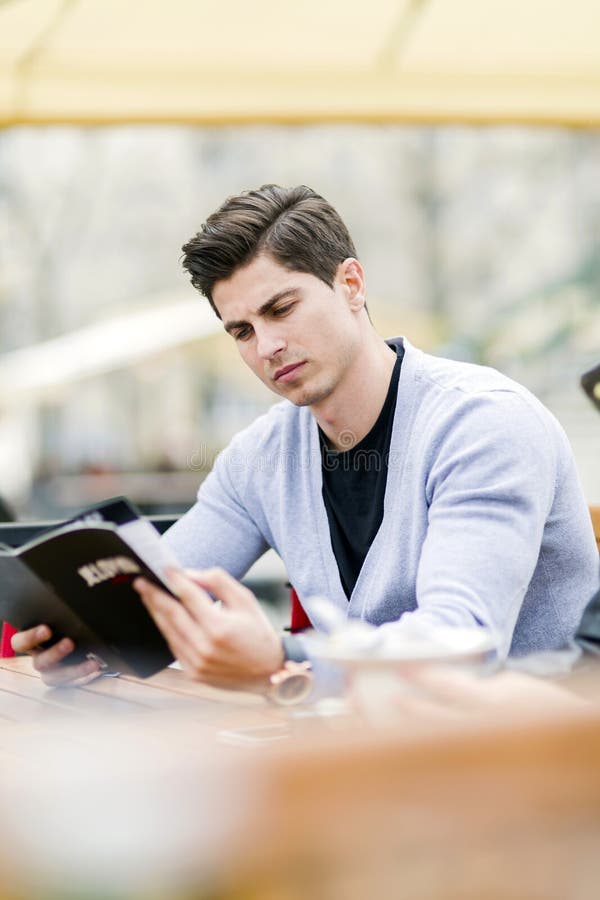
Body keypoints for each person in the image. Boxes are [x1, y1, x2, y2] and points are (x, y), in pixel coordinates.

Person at [12, 184, 600, 696]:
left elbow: (460, 641)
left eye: (282, 308)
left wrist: (279, 659)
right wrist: (93, 645)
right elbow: (165, 591)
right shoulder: (261, 457)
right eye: (242, 330)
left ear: (351, 283)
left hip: (531, 766)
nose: (266, 347)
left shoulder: (482, 424)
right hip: (372, 756)